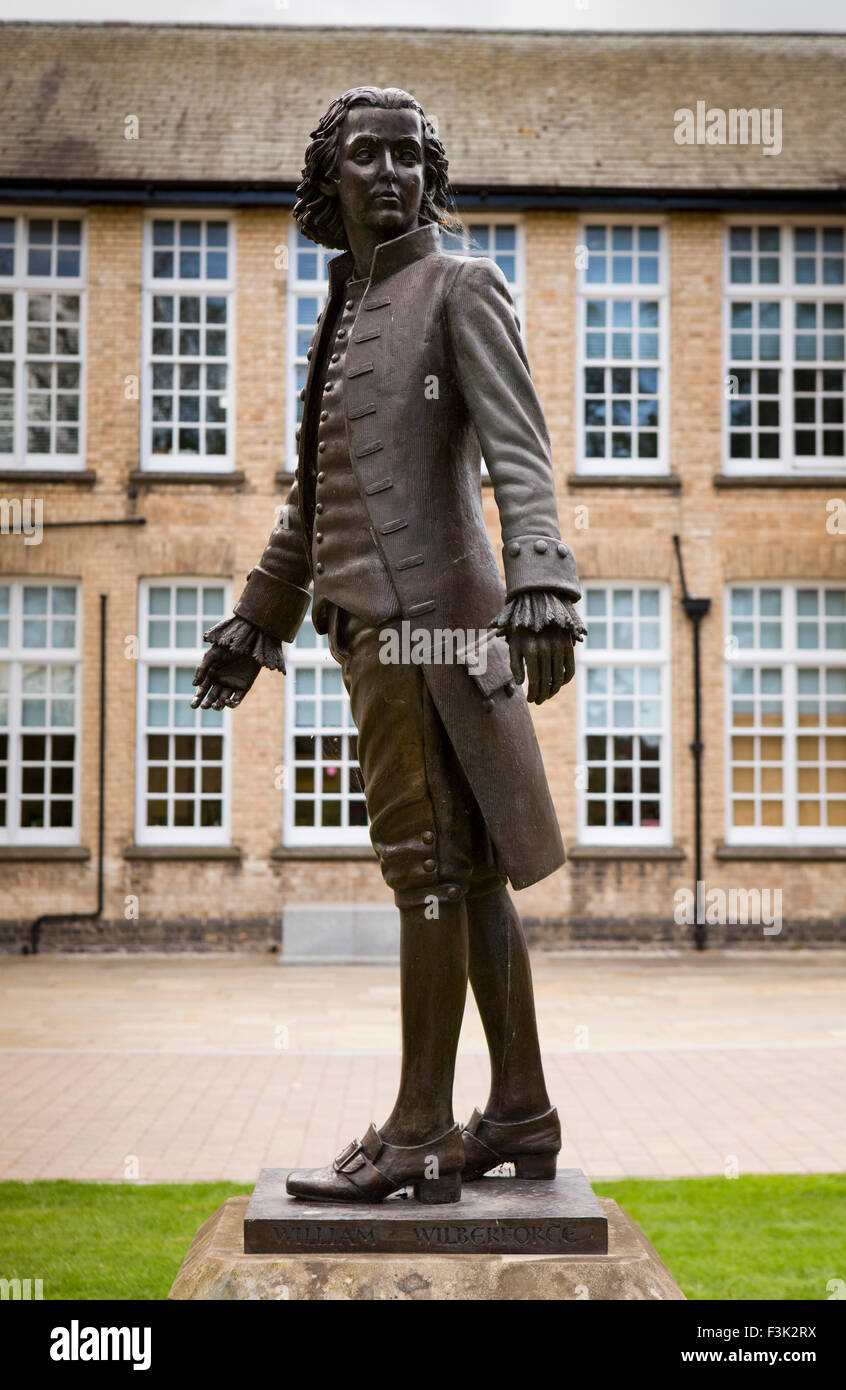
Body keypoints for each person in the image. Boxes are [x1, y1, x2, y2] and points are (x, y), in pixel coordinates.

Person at [192, 87, 585, 1205]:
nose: (389, 174)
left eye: (407, 157)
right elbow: (314, 501)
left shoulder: (457, 287)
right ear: (331, 176)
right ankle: (518, 1110)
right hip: (373, 632)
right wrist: (255, 618)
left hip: (433, 631)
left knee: (425, 872)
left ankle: (417, 1132)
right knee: (463, 877)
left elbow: (521, 449)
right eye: (364, 155)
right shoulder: (349, 305)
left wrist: (544, 578)